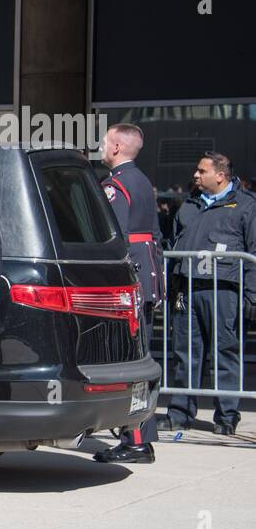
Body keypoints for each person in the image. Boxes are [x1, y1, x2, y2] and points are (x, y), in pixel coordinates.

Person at [158, 151, 256, 436]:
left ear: (220, 175)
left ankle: (226, 415)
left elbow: (253, 251)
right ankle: (180, 411)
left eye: (202, 171)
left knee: (225, 353)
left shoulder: (246, 206)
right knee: (186, 351)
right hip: (188, 288)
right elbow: (174, 245)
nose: (196, 175)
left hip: (225, 291)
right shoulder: (189, 205)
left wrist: (252, 295)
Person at [95, 124, 163, 463]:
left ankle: (136, 439)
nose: (101, 147)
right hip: (144, 275)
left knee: (131, 361)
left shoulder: (116, 185)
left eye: (105, 142)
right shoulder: (140, 180)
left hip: (130, 279)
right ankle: (141, 434)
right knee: (140, 357)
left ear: (118, 146)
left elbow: (114, 239)